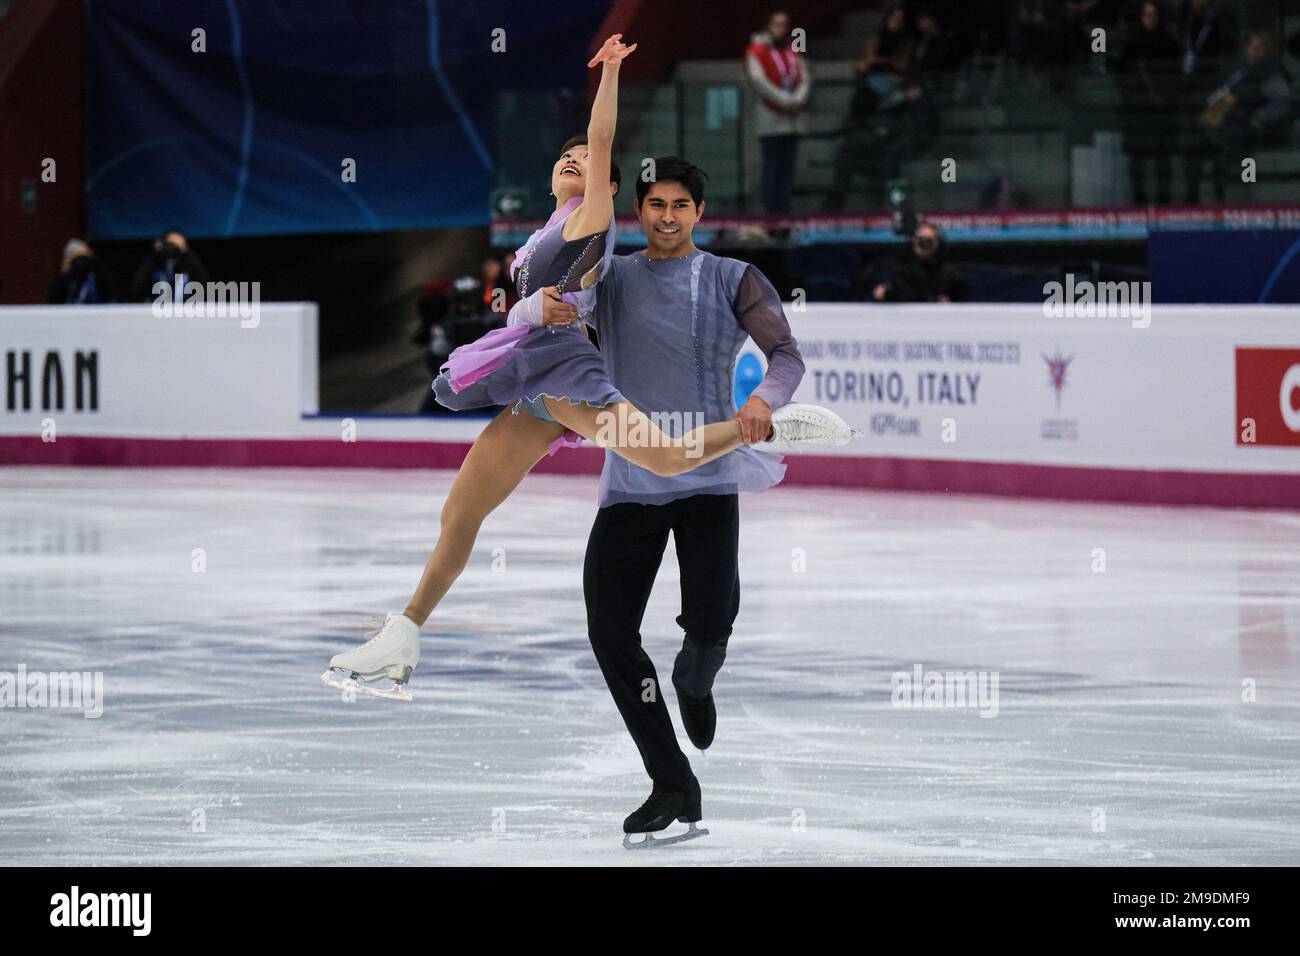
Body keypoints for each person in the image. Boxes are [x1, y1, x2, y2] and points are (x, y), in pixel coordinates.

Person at [322, 37, 849, 728]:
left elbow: (600, 139)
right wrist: (524, 307)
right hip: (532, 379)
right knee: (462, 509)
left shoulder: (589, 218)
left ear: (602, 184)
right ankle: (405, 633)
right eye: (562, 157)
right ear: (549, 180)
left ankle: (776, 423)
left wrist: (611, 73)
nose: (574, 158)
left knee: (662, 455)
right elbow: (528, 306)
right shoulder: (542, 231)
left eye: (586, 159)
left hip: (567, 371)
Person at [553, 155, 823, 844]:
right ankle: (671, 780)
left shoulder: (735, 278)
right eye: (655, 205)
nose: (667, 217)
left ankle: (696, 679)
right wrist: (549, 304)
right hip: (631, 485)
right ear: (638, 211)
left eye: (680, 205)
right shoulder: (610, 277)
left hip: (706, 477)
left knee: (709, 626)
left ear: (699, 213)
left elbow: (785, 353)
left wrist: (765, 397)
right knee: (610, 635)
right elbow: (559, 304)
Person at [744, 10, 811, 214]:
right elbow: (759, 81)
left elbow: (805, 78)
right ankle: (769, 211)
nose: (781, 29)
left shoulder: (793, 50)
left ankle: (784, 209)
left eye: (784, 25)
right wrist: (785, 101)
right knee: (772, 166)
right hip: (771, 119)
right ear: (768, 26)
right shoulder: (756, 50)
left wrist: (798, 99)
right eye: (777, 24)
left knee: (788, 167)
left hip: (792, 120)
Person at [1115, 1, 1181, 205]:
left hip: (1162, 113)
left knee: (1163, 161)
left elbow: (1176, 76)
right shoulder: (1131, 44)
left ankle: (1164, 201)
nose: (1150, 19)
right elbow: (1122, 78)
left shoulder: (1168, 43)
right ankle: (1139, 202)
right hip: (1138, 113)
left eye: (1154, 15)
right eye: (1147, 15)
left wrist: (1164, 97)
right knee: (1138, 162)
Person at [871, 222, 968, 303]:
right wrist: (883, 293)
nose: (924, 244)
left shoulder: (950, 274)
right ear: (914, 241)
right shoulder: (900, 270)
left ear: (938, 243)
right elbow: (893, 294)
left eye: (928, 241)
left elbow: (965, 303)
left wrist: (950, 304)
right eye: (921, 239)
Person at [128, 229, 209, 302]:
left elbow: (204, 285)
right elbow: (136, 288)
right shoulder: (154, 262)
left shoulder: (189, 262)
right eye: (170, 244)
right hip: (155, 311)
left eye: (177, 245)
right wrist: (155, 255)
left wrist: (188, 254)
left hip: (186, 311)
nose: (173, 249)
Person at [48, 240, 116, 304]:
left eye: (84, 257)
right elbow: (53, 301)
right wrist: (65, 273)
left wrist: (95, 264)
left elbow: (110, 293)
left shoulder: (98, 277)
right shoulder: (68, 279)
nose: (81, 262)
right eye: (77, 258)